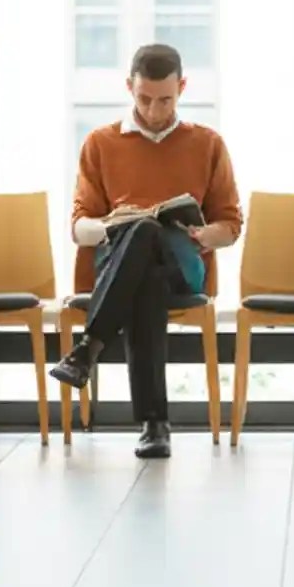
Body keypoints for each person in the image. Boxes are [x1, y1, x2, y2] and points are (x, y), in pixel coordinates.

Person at [49, 44, 242, 459]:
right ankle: (155, 425)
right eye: (144, 99)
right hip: (122, 266)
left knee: (149, 237)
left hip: (183, 266)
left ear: (183, 88)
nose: (155, 110)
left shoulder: (207, 144)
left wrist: (201, 234)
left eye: (166, 99)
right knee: (145, 267)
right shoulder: (100, 143)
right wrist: (110, 225)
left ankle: (89, 348)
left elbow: (230, 226)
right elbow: (79, 228)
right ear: (129, 88)